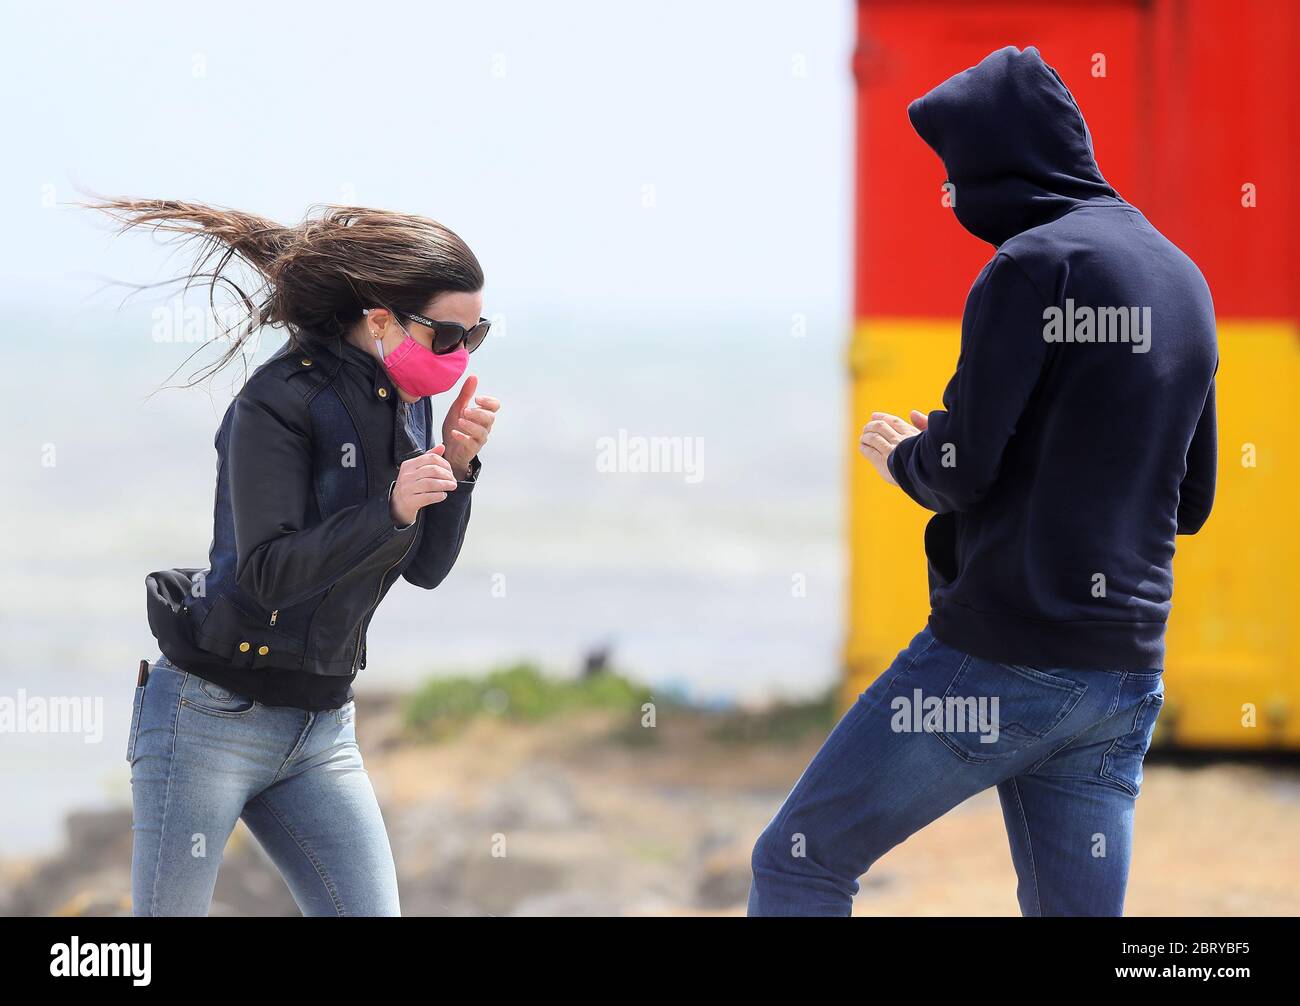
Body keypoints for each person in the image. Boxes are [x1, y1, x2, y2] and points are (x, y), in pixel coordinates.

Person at [748, 46, 1218, 917]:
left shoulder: (1033, 266)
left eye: (954, 174)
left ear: (999, 163)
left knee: (799, 862)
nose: (950, 196)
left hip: (1002, 658)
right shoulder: (1180, 276)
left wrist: (905, 454)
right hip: (1122, 675)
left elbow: (960, 476)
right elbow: (1189, 500)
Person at [99, 200, 499, 916]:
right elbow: (266, 573)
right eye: (447, 335)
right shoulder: (277, 401)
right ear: (381, 320)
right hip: (210, 716)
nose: (459, 354)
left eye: (476, 334)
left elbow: (425, 568)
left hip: (321, 728)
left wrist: (458, 469)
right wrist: (390, 508)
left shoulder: (408, 405)